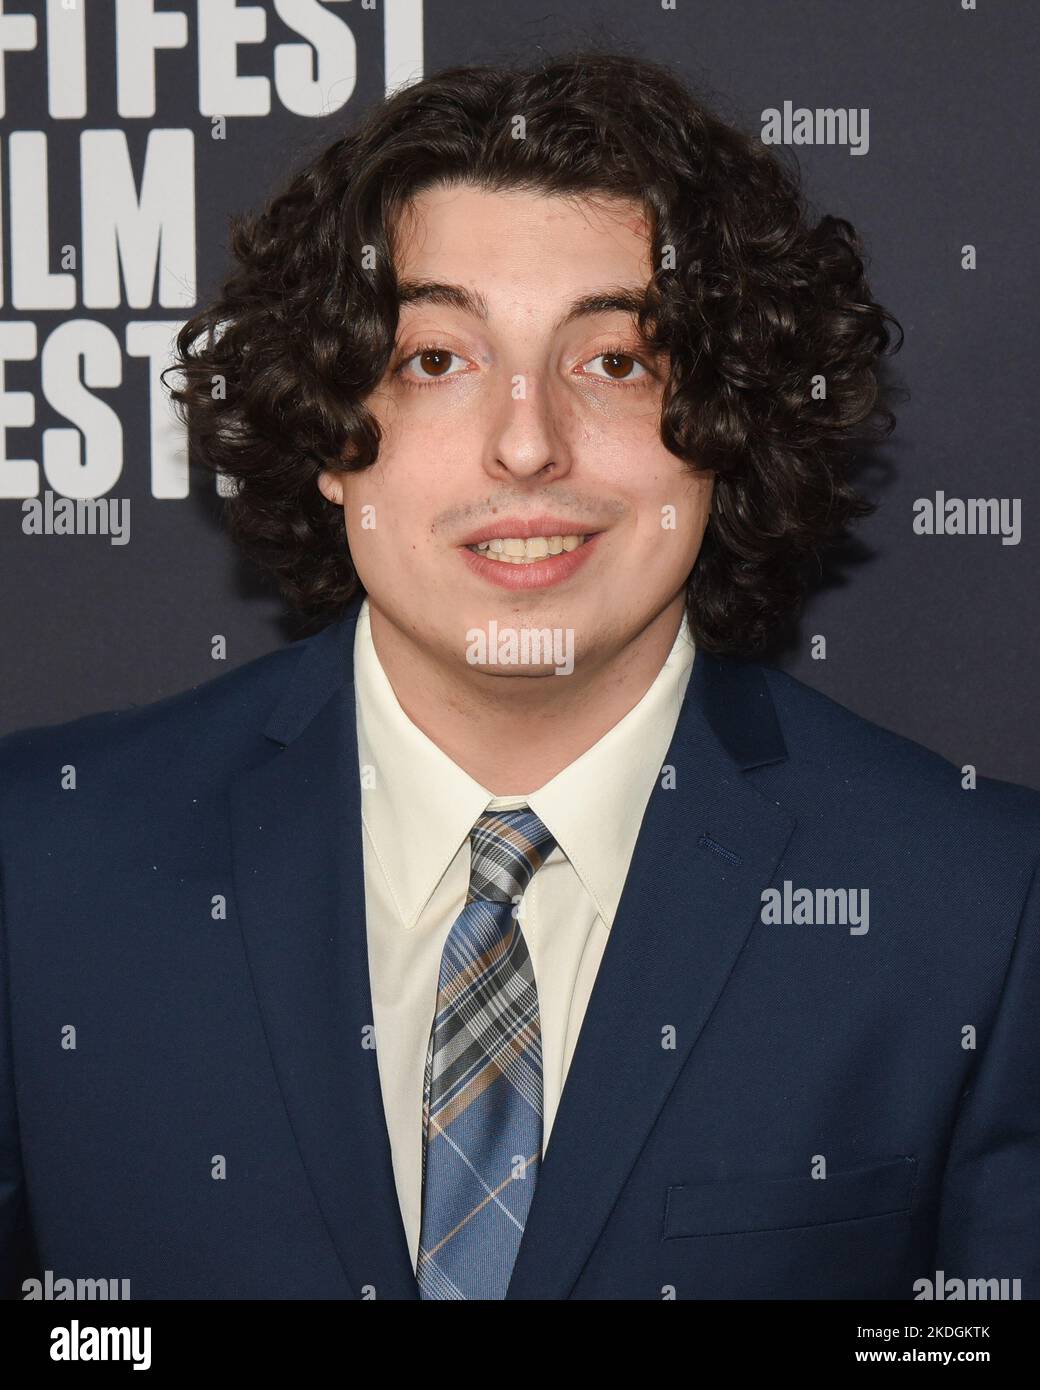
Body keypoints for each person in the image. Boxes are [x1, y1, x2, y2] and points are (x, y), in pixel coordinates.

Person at [1, 51, 1037, 1302]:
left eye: (615, 361)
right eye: (436, 359)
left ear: (726, 425)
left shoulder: (975, 903)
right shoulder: (40, 863)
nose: (528, 440)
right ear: (331, 435)